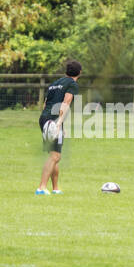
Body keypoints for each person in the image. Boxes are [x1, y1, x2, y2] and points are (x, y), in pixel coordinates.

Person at [37, 59, 82, 194]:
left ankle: (55, 188)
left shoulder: (54, 84)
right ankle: (41, 188)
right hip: (54, 120)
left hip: (45, 118)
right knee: (55, 156)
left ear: (66, 71)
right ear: (80, 73)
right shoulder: (72, 84)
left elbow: (45, 104)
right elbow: (66, 102)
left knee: (54, 154)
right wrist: (59, 122)